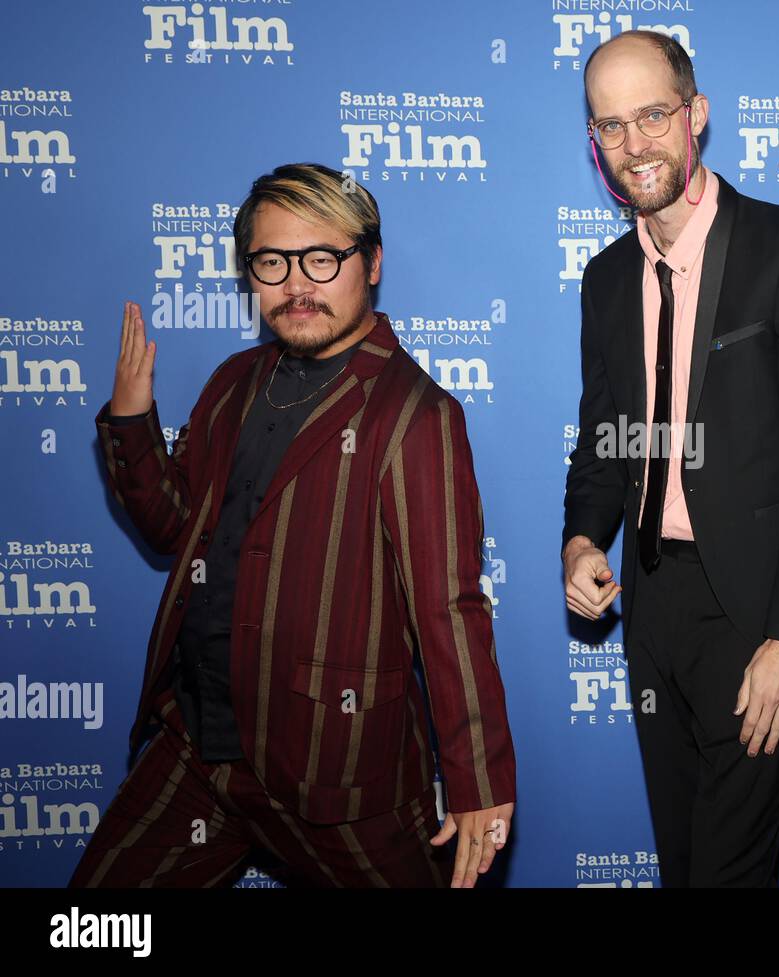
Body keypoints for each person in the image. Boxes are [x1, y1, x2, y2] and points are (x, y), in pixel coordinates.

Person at [71, 163, 515, 888]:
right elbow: (172, 531)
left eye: (322, 258)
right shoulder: (232, 382)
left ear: (370, 262)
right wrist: (130, 420)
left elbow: (449, 610)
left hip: (335, 777)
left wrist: (478, 779)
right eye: (272, 262)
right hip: (200, 744)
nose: (296, 283)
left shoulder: (414, 413)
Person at [562, 31, 779, 887]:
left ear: (696, 113)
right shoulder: (606, 276)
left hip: (757, 610)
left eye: (652, 115)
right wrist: (584, 540)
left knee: (729, 871)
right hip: (651, 604)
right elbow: (600, 435)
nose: (634, 145)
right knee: (685, 861)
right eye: (610, 126)